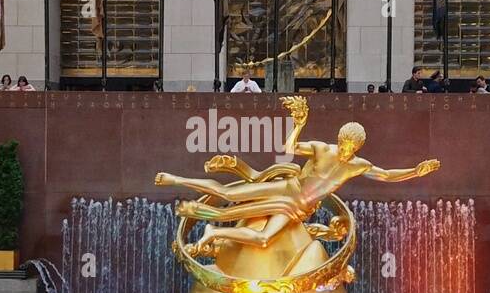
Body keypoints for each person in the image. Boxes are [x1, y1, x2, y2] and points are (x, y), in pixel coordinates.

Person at [155, 96, 441, 255]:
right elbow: (289, 147)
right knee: (228, 194)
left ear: (358, 148)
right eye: (343, 144)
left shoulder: (358, 165)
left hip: (298, 209)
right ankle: (176, 179)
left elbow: (388, 176)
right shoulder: (321, 149)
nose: (344, 150)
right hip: (286, 190)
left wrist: (416, 171)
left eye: (350, 147)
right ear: (338, 139)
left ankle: (214, 232)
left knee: (265, 238)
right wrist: (298, 125)